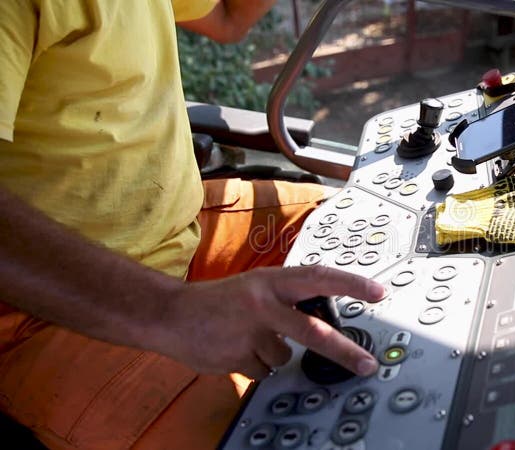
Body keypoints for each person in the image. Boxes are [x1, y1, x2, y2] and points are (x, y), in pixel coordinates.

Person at [0, 1, 384, 448]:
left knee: (367, 222)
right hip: (47, 308)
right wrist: (171, 311)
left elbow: (227, 19)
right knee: (268, 433)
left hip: (183, 232)